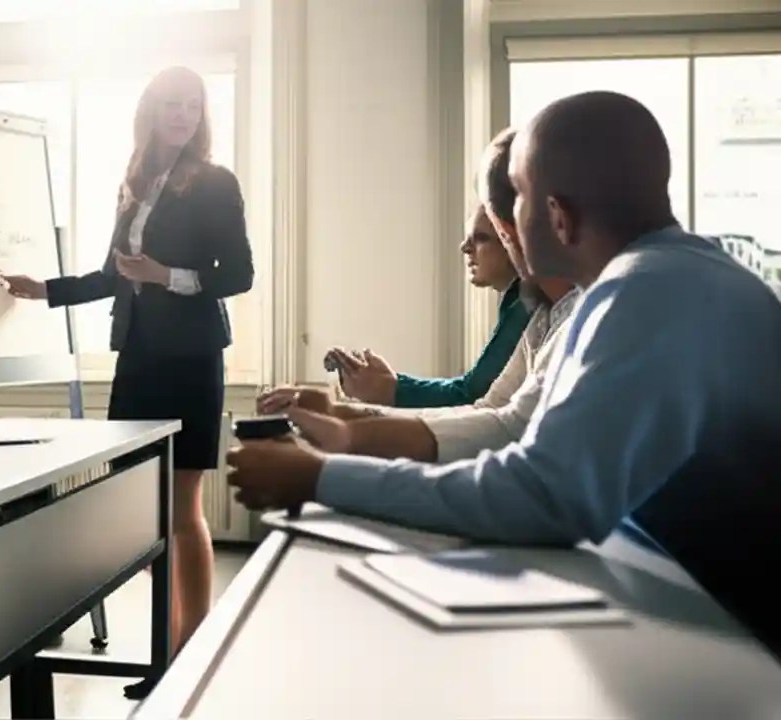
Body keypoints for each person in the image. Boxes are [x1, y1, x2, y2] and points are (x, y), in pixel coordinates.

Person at [226, 91, 781, 654]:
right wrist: (350, 427)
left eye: (516, 199)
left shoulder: (641, 294)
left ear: (559, 217)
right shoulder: (673, 275)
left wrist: (317, 477)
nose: (507, 221)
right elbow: (517, 424)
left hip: (734, 646)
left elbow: (541, 495)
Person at [1, 66, 254, 691]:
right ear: (151, 110)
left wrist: (169, 275)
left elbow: (240, 273)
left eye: (192, 106)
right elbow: (117, 274)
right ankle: (170, 649)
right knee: (142, 511)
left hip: (192, 357)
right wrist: (48, 290)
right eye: (172, 104)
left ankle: (190, 656)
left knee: (183, 506)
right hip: (137, 357)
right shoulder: (135, 184)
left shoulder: (216, 182)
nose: (183, 115)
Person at [268, 130, 581, 464]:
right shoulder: (543, 315)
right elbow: (490, 411)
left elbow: (499, 424)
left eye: (488, 233)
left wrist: (337, 450)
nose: (466, 247)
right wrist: (340, 414)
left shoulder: (570, 314)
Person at [322, 208, 530, 408]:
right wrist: (390, 383)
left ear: (512, 240)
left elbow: (471, 394)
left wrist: (392, 389)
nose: (464, 247)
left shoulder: (524, 306)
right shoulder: (515, 301)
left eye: (481, 238)